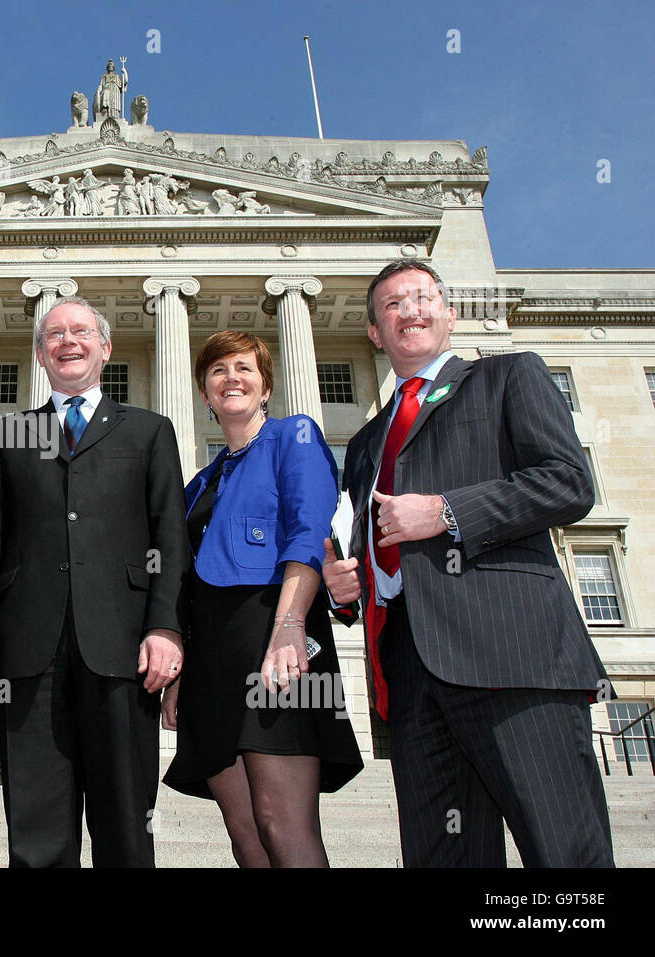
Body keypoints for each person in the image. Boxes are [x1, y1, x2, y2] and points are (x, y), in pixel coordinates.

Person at [321, 260, 613, 867]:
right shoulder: (368, 441)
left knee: (563, 854)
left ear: (449, 313)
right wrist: (347, 586)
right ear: (375, 331)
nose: (411, 312)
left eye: (424, 298)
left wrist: (449, 510)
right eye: (393, 305)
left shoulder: (508, 375)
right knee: (442, 858)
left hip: (512, 653)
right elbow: (375, 543)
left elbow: (568, 483)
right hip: (410, 672)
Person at [0, 296, 190, 868]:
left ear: (104, 349)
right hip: (28, 648)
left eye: (81, 331)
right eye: (55, 334)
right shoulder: (6, 434)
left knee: (127, 827)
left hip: (123, 646)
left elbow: (170, 536)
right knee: (36, 830)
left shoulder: (149, 431)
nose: (68, 341)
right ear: (40, 354)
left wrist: (166, 626)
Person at [161, 332, 362, 867]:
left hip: (275, 642)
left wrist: (292, 623)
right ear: (204, 394)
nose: (232, 378)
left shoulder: (293, 436)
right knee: (245, 834)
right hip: (212, 660)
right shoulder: (199, 483)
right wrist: (180, 672)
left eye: (244, 368)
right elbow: (186, 584)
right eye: (218, 370)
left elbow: (307, 530)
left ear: (266, 385)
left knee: (282, 825)